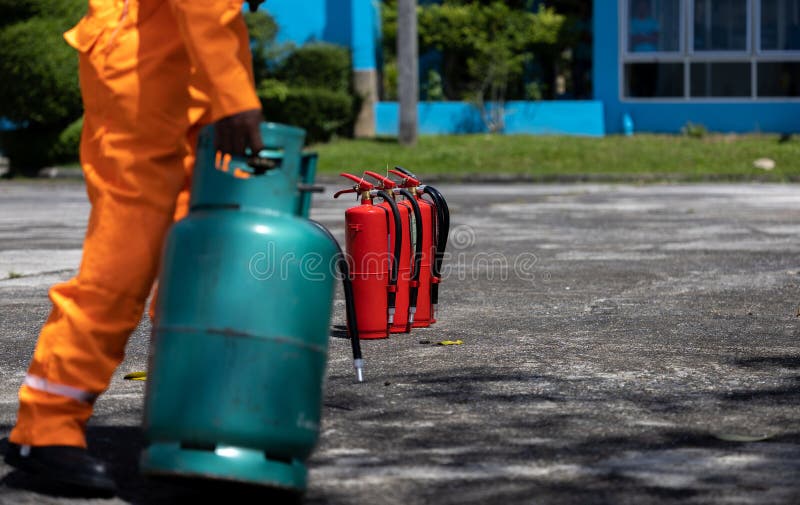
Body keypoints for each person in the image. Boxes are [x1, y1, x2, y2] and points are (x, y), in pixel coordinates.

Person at [4, 0, 267, 495]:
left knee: (194, 267)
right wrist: (234, 98)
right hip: (142, 74)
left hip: (182, 69)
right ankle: (45, 426)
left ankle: (186, 421)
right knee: (125, 260)